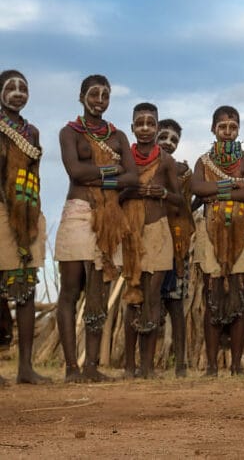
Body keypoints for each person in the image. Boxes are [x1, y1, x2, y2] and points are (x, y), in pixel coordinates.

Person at [55, 75, 138, 382]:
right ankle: (71, 368)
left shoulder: (117, 137)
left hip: (110, 219)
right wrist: (111, 170)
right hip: (78, 213)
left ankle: (91, 365)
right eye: (94, 93)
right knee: (71, 289)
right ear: (82, 96)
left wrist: (98, 176)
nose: (100, 99)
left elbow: (133, 178)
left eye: (105, 94)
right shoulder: (70, 132)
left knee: (98, 290)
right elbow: (75, 172)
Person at [190, 106, 244, 376]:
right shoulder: (203, 162)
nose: (228, 132)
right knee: (213, 294)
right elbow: (197, 188)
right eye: (223, 127)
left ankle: (234, 366)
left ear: (238, 129)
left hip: (243, 232)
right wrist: (234, 185)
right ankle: (210, 365)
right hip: (211, 232)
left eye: (233, 127)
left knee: (239, 294)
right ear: (213, 130)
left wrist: (219, 193)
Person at [121, 103, 180, 378]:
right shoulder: (124, 158)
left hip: (158, 230)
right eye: (140, 123)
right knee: (133, 295)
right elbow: (115, 197)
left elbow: (180, 201)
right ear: (133, 127)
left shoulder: (166, 161)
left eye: (150, 124)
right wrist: (134, 190)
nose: (145, 128)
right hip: (131, 233)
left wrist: (163, 193)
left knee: (153, 297)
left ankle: (147, 366)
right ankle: (129, 366)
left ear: (157, 128)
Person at [0, 70, 49, 384]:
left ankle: (26, 369)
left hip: (28, 211)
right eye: (11, 88)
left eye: (23, 88)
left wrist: (26, 211)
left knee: (27, 288)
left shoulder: (31, 131)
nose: (19, 93)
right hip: (2, 211)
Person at [156, 118, 195, 377]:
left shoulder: (183, 173)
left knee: (175, 304)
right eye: (164, 137)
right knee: (143, 301)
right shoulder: (138, 166)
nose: (168, 143)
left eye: (174, 139)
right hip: (148, 240)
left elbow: (188, 204)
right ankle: (140, 364)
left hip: (176, 242)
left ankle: (180, 363)